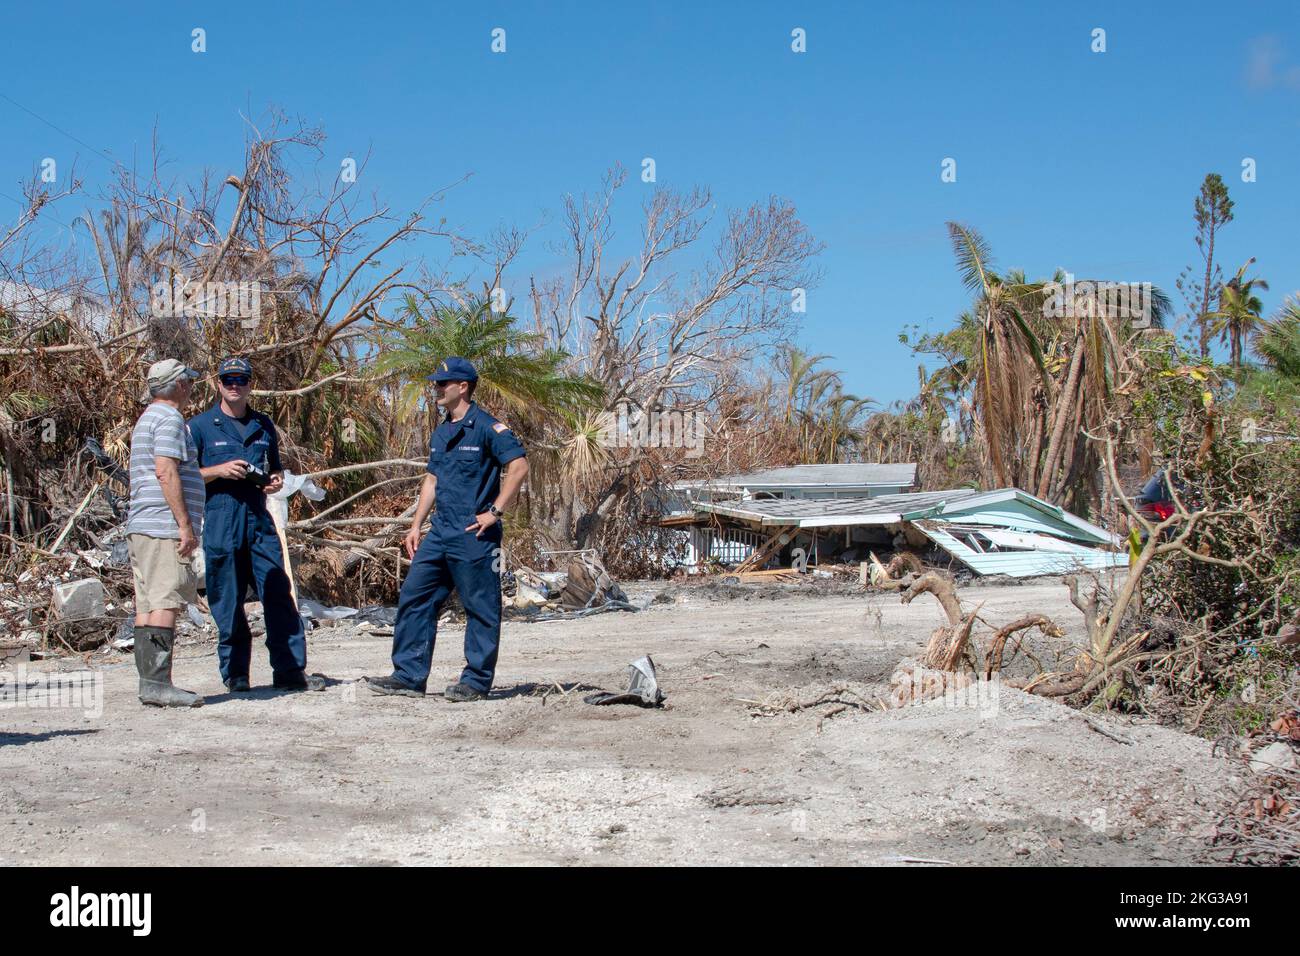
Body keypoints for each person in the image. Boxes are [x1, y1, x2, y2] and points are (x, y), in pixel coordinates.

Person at [368, 357, 529, 701]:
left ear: (463, 387)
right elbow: (432, 479)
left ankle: (475, 681)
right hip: (440, 531)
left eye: (443, 383)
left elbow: (518, 466)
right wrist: (415, 526)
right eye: (436, 383)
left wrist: (495, 512)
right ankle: (408, 675)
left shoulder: (489, 427)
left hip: (475, 533)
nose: (437, 389)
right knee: (415, 596)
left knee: (480, 606)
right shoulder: (442, 431)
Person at [188, 357, 324, 693]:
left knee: (279, 594)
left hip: (258, 519)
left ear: (250, 384)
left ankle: (291, 670)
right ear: (218, 384)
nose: (234, 385)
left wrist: (274, 482)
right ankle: (236, 675)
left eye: (241, 379)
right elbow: (184, 476)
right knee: (227, 599)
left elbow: (274, 469)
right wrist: (218, 471)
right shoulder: (200, 427)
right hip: (221, 520)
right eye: (228, 379)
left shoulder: (263, 425)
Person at [126, 359, 206, 708]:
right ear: (177, 385)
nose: (191, 386)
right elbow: (165, 471)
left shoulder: (147, 418)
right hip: (161, 526)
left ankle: (150, 683)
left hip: (141, 523)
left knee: (147, 602)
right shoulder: (170, 418)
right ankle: (159, 683)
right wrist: (184, 525)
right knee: (164, 600)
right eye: (188, 380)